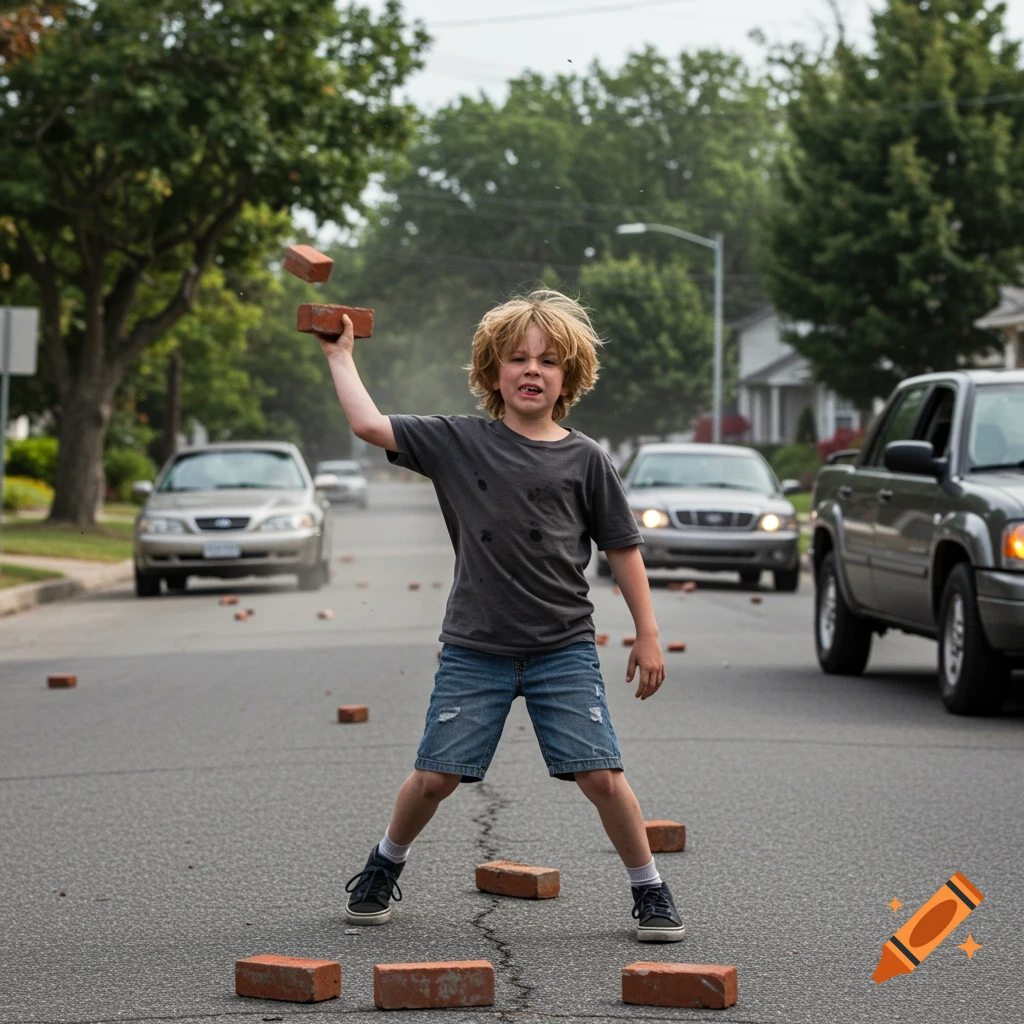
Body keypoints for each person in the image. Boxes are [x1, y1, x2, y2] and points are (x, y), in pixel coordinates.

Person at [314, 290, 683, 943]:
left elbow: (622, 548)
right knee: (435, 777)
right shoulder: (458, 442)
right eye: (517, 359)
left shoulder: (586, 459)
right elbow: (371, 426)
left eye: (547, 360)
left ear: (570, 376)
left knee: (602, 774)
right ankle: (382, 866)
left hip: (561, 647)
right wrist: (341, 356)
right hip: (475, 648)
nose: (531, 370)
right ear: (492, 373)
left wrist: (647, 633)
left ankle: (649, 889)